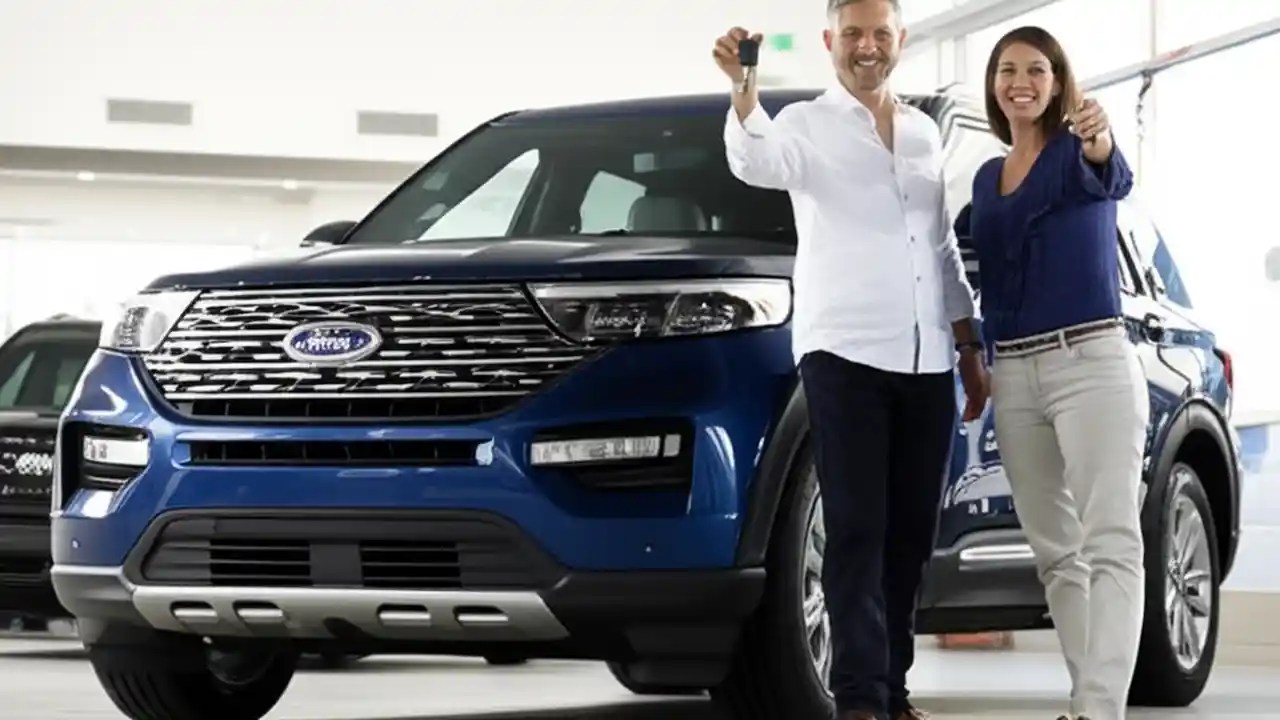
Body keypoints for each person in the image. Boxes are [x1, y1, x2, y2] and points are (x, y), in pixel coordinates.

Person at [713, 1, 988, 718]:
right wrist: (744, 90)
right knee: (859, 527)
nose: (867, 48)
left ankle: (893, 691)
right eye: (854, 35)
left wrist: (966, 342)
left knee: (910, 536)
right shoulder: (805, 124)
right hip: (846, 353)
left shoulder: (926, 132)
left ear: (900, 40)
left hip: (927, 357)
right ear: (831, 42)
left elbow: (939, 245)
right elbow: (755, 160)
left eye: (881, 34)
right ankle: (860, 697)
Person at [955, 25, 1146, 720]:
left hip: (1090, 359)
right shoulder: (985, 178)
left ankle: (1097, 711)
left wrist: (1098, 134)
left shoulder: (1077, 149)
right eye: (1009, 70)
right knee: (1056, 551)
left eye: (1037, 70)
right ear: (995, 84)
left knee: (1110, 541)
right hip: (1016, 374)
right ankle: (1087, 698)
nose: (1021, 82)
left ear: (1060, 81)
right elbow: (979, 275)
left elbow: (1112, 169)